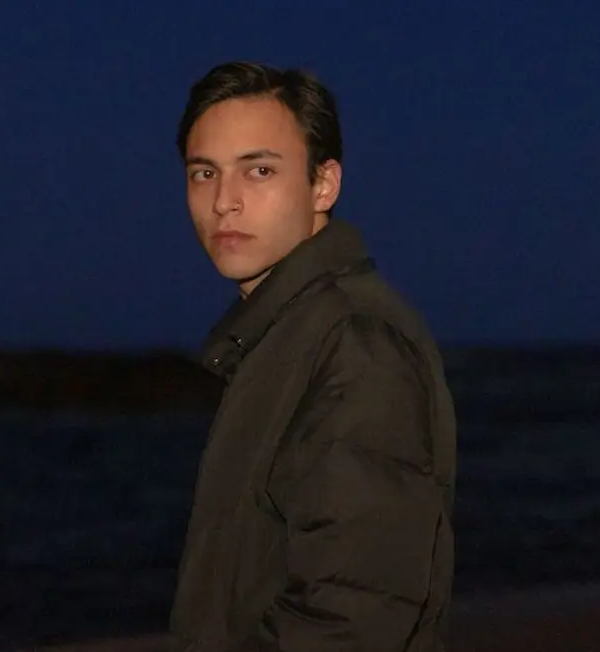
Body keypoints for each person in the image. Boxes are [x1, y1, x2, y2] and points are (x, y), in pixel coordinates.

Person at [170, 61, 456, 652]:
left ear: (323, 184)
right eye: (205, 173)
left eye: (260, 170)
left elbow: (353, 610)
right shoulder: (284, 336)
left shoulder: (355, 340)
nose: (224, 201)